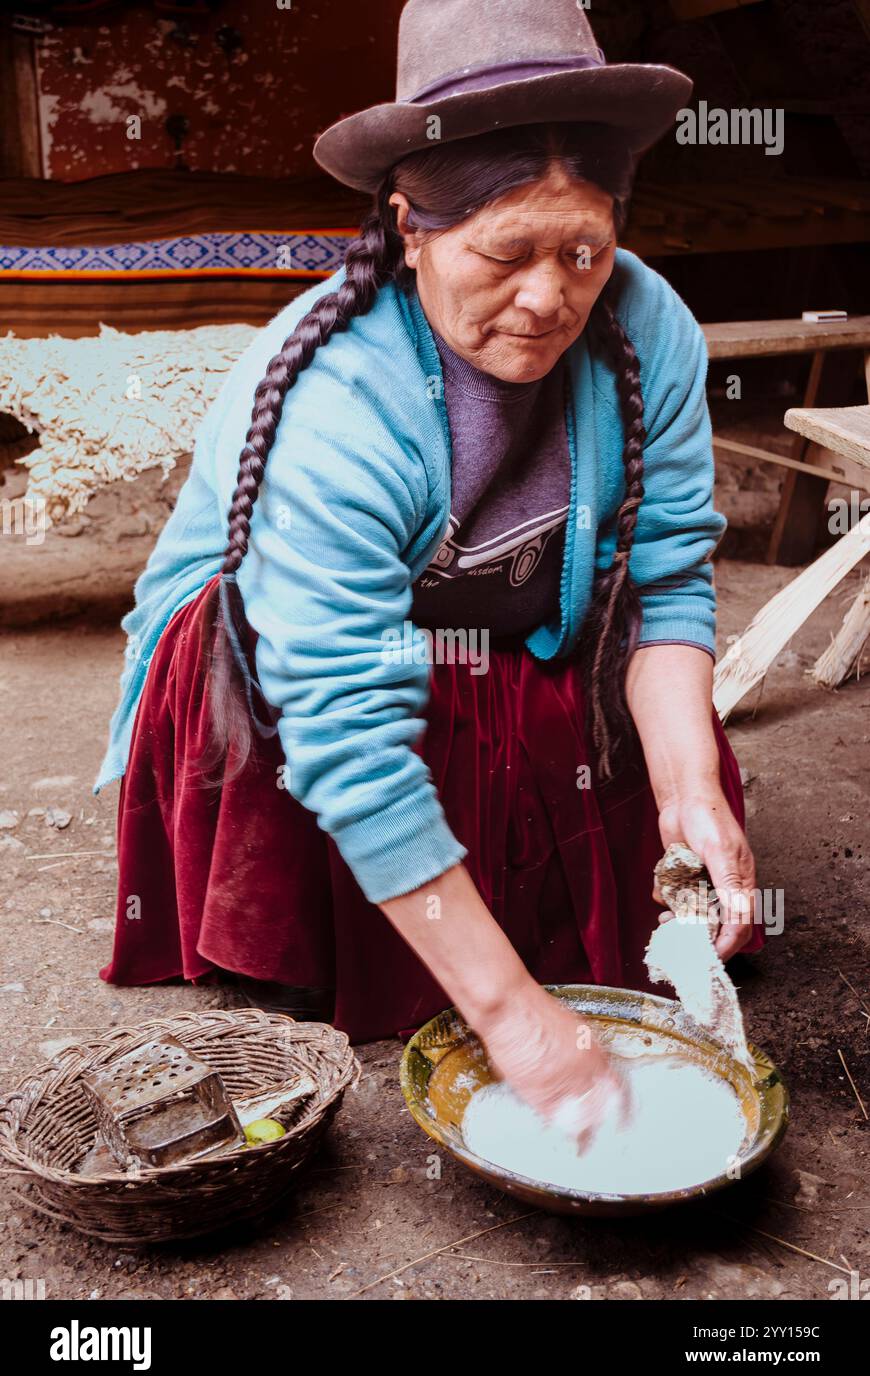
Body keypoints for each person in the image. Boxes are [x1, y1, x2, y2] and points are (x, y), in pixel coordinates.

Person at [96, 0, 762, 1145]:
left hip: (505, 617)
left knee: (616, 746)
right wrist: (517, 1021)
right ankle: (374, 942)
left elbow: (662, 581)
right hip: (311, 662)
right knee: (377, 700)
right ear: (410, 229)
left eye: (583, 250)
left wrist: (688, 785)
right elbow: (348, 722)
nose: (549, 295)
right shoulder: (338, 399)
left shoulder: (654, 328)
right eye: (505, 253)